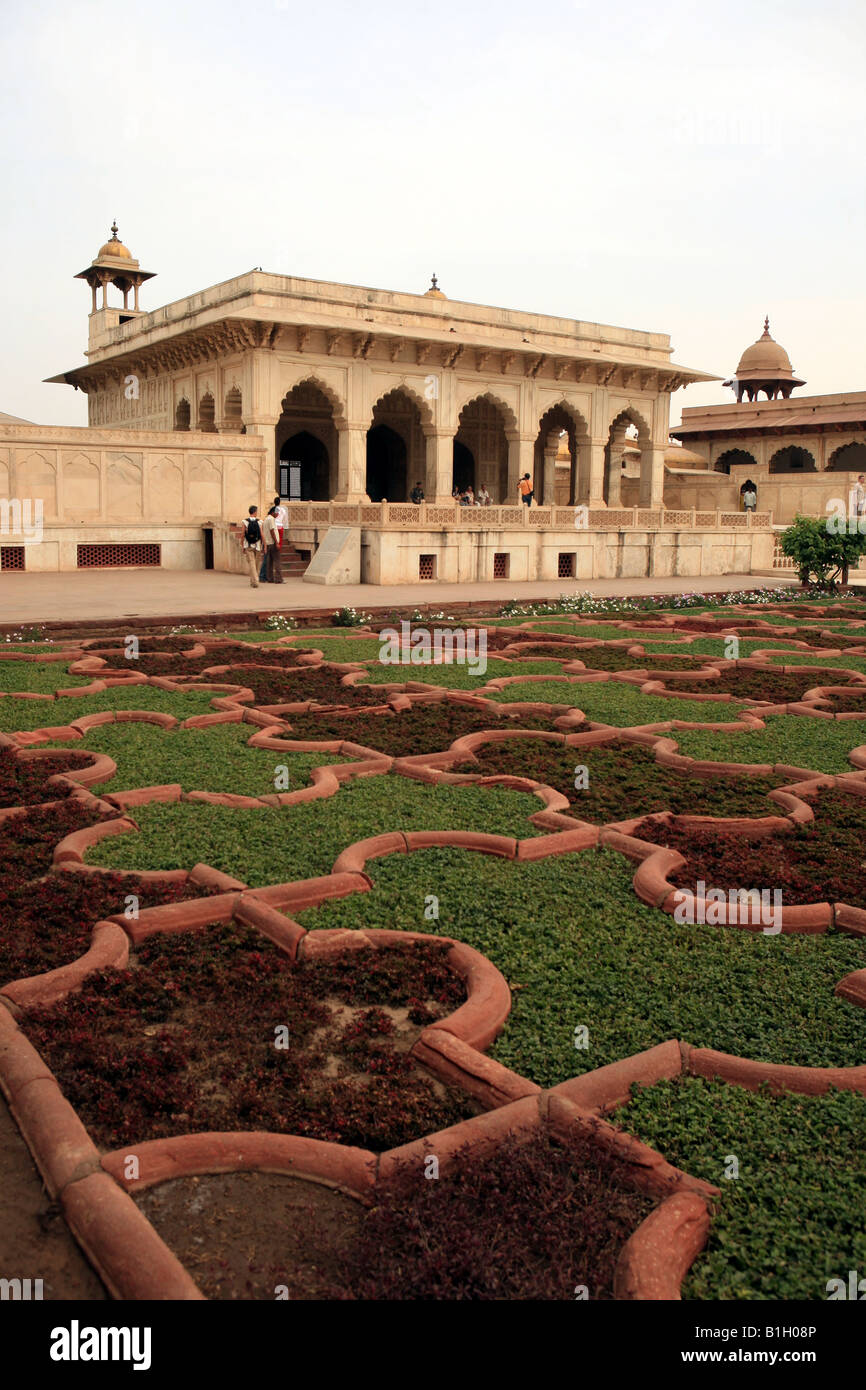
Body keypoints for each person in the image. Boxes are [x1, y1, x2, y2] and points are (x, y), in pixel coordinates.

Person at [241, 505, 263, 588]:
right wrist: (264, 545)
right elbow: (261, 534)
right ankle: (254, 581)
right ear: (255, 512)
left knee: (251, 564)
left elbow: (243, 534)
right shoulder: (260, 521)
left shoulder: (244, 521)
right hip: (257, 545)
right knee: (256, 564)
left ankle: (254, 581)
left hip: (248, 545)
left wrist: (242, 545)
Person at [263, 506, 284, 583]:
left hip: (268, 543)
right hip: (273, 543)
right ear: (273, 513)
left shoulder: (266, 519)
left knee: (269, 562)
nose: (277, 514)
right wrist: (276, 542)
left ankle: (270, 578)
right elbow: (272, 531)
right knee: (277, 561)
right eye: (276, 513)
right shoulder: (271, 519)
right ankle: (278, 579)